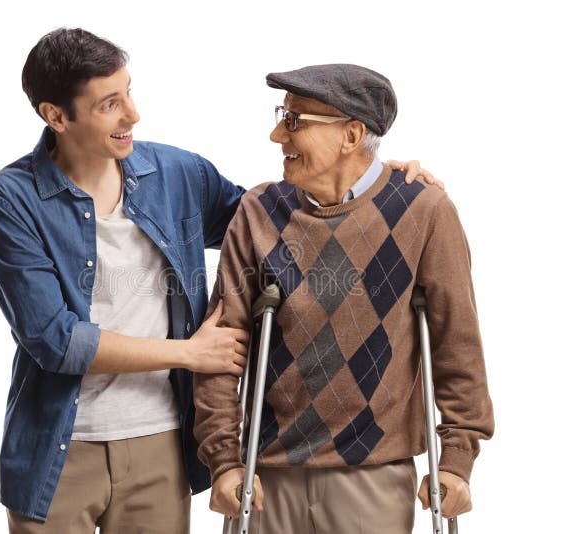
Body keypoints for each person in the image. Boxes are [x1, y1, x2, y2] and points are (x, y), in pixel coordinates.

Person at [0, 28, 435, 533]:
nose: (133, 114)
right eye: (110, 104)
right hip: (58, 450)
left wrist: (370, 177)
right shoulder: (13, 199)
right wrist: (188, 353)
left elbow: (281, 220)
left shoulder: (174, 172)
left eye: (129, 92)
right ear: (56, 116)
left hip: (161, 441)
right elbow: (55, 340)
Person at [194, 64, 494, 534]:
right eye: (281, 115)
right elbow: (221, 345)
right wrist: (224, 459)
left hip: (373, 476)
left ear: (351, 135)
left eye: (294, 121)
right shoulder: (257, 211)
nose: (277, 134)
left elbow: (456, 344)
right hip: (269, 473)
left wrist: (456, 459)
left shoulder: (424, 209)